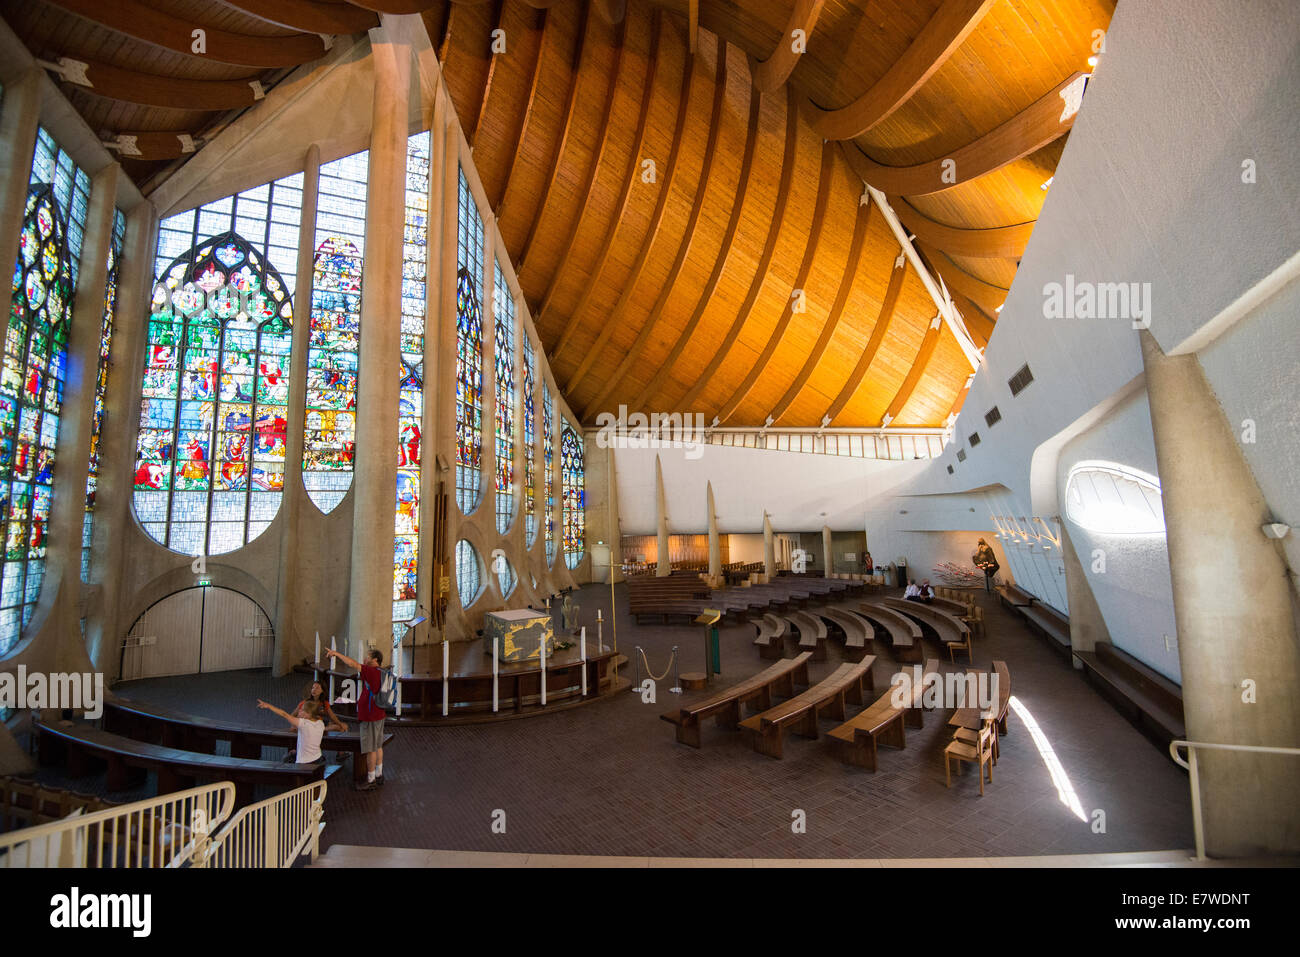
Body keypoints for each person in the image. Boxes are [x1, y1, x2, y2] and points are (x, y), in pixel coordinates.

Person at [327, 647, 386, 790]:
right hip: (379, 714)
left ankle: (371, 779)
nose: (365, 659)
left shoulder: (371, 672)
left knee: (370, 749)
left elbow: (352, 664)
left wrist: (336, 653)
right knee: (378, 746)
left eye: (368, 657)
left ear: (375, 660)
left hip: (371, 716)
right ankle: (378, 774)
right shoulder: (381, 672)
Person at [257, 698, 326, 766]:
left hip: (305, 762)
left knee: (286, 761)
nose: (299, 711)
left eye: (302, 710)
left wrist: (268, 706)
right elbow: (309, 741)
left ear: (308, 714)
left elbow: (284, 714)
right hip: (318, 757)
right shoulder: (320, 723)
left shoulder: (304, 724)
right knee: (288, 757)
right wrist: (298, 751)